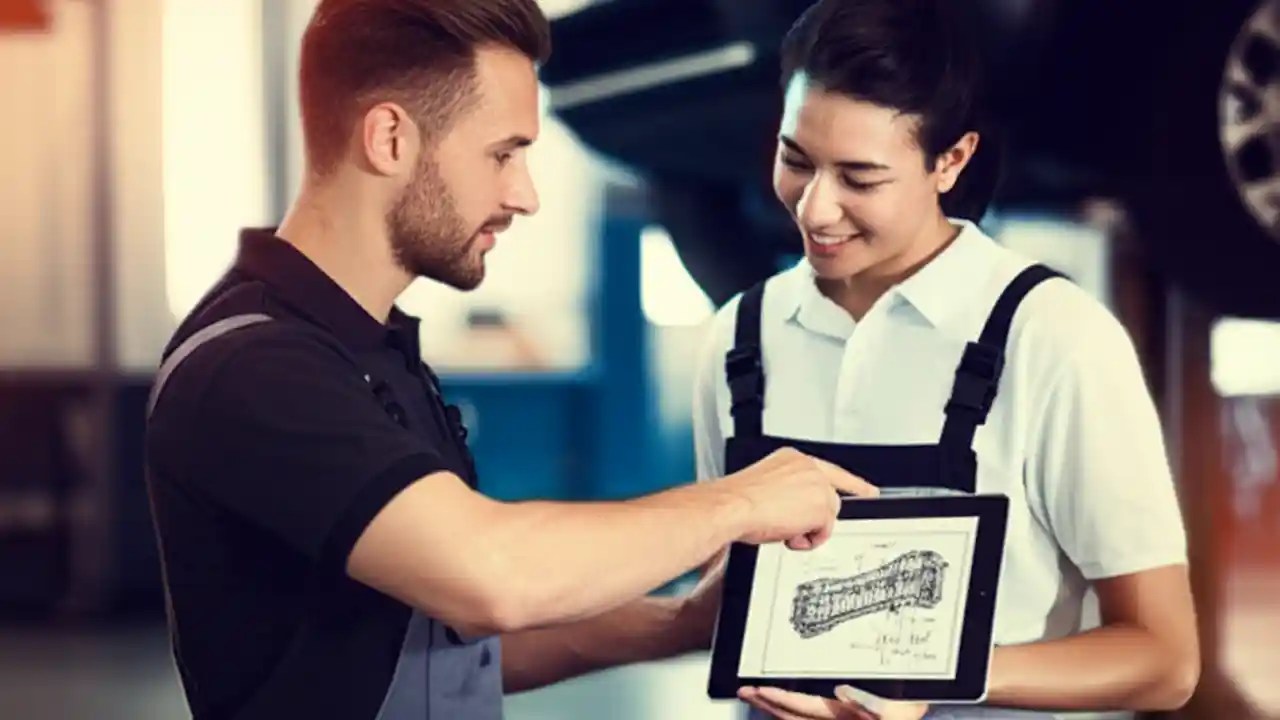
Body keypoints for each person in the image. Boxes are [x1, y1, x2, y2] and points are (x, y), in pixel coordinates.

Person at [142, 1, 875, 719]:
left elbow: (456, 642)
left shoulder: (372, 352)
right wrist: (741, 502)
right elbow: (492, 576)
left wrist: (684, 622)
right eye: (503, 153)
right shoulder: (254, 366)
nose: (523, 195)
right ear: (390, 138)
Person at [690, 0, 1200, 718]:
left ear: (950, 161)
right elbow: (729, 605)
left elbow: (1163, 658)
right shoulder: (735, 339)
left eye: (860, 178)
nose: (814, 209)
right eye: (795, 160)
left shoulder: (1055, 337)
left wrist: (929, 679)